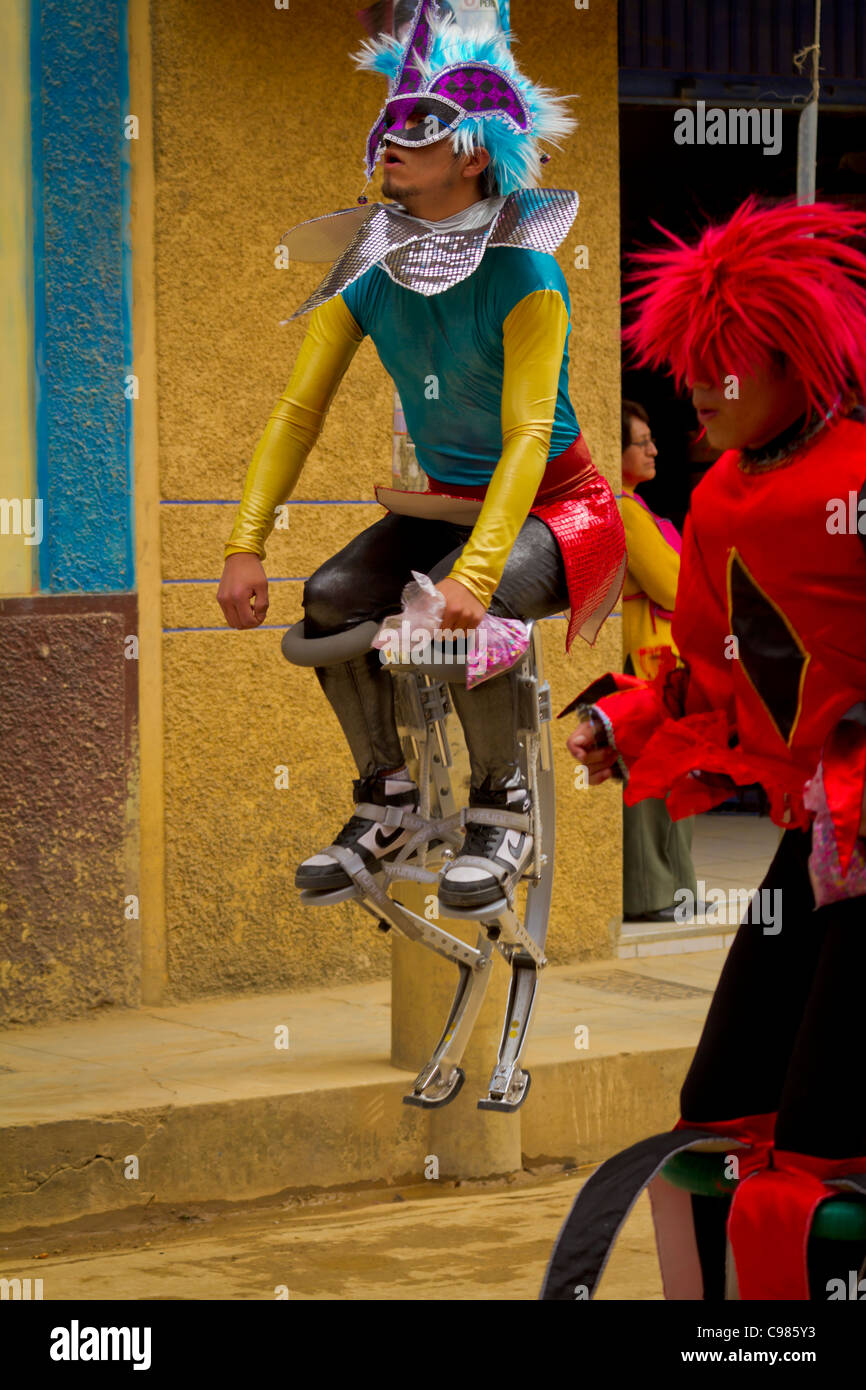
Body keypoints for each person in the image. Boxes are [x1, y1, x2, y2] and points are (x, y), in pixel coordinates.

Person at [217, 1, 625, 913]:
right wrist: (247, 543)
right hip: (444, 506)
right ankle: (386, 797)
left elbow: (529, 436)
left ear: (475, 151)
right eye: (387, 123)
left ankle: (500, 808)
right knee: (328, 600)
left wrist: (476, 576)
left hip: (559, 511)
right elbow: (297, 411)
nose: (390, 141)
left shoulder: (529, 272)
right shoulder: (367, 263)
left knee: (443, 612)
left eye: (419, 124)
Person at [543, 197, 866, 1301]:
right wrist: (617, 721)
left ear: (796, 361)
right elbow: (703, 670)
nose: (698, 389)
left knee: (819, 1163)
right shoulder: (721, 495)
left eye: (725, 365)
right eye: (692, 364)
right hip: (810, 843)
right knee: (714, 1132)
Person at [620, 399, 696, 922]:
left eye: (650, 439)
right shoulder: (624, 508)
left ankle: (677, 891)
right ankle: (652, 897)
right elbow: (675, 583)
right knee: (651, 783)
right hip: (646, 666)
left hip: (662, 662)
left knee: (675, 776)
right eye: (640, 441)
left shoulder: (640, 509)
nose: (653, 449)